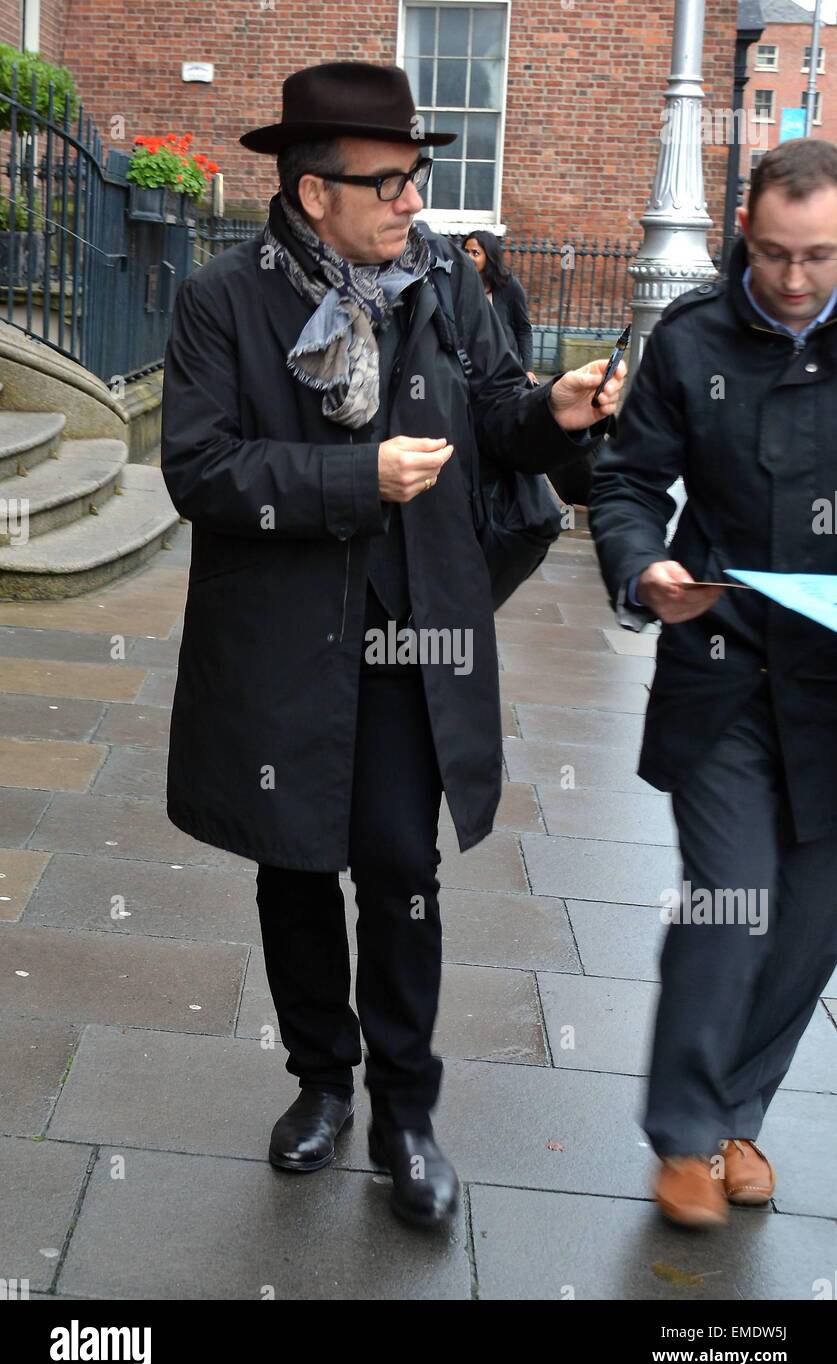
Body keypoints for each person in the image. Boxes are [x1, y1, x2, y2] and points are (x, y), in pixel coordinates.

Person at [160, 60, 623, 1230]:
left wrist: (554, 412)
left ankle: (407, 1112)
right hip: (280, 644)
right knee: (296, 862)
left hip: (416, 636)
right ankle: (322, 1082)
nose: (417, 201)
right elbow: (200, 470)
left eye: (420, 177)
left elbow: (498, 411)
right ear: (315, 192)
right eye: (392, 183)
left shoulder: (439, 287)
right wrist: (350, 478)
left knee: (401, 869)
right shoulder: (224, 297)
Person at [588, 137, 837, 1228]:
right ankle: (685, 1135)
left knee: (811, 926)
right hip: (727, 669)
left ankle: (741, 1113)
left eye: (821, 257)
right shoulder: (692, 341)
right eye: (777, 254)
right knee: (734, 902)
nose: (794, 280)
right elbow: (629, 478)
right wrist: (645, 568)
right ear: (744, 232)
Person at [463, 230, 538, 383]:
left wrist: (528, 369)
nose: (468, 257)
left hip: (503, 368)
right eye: (466, 252)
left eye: (475, 253)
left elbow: (523, 329)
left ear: (489, 257)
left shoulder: (509, 286)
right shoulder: (461, 285)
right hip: (471, 369)